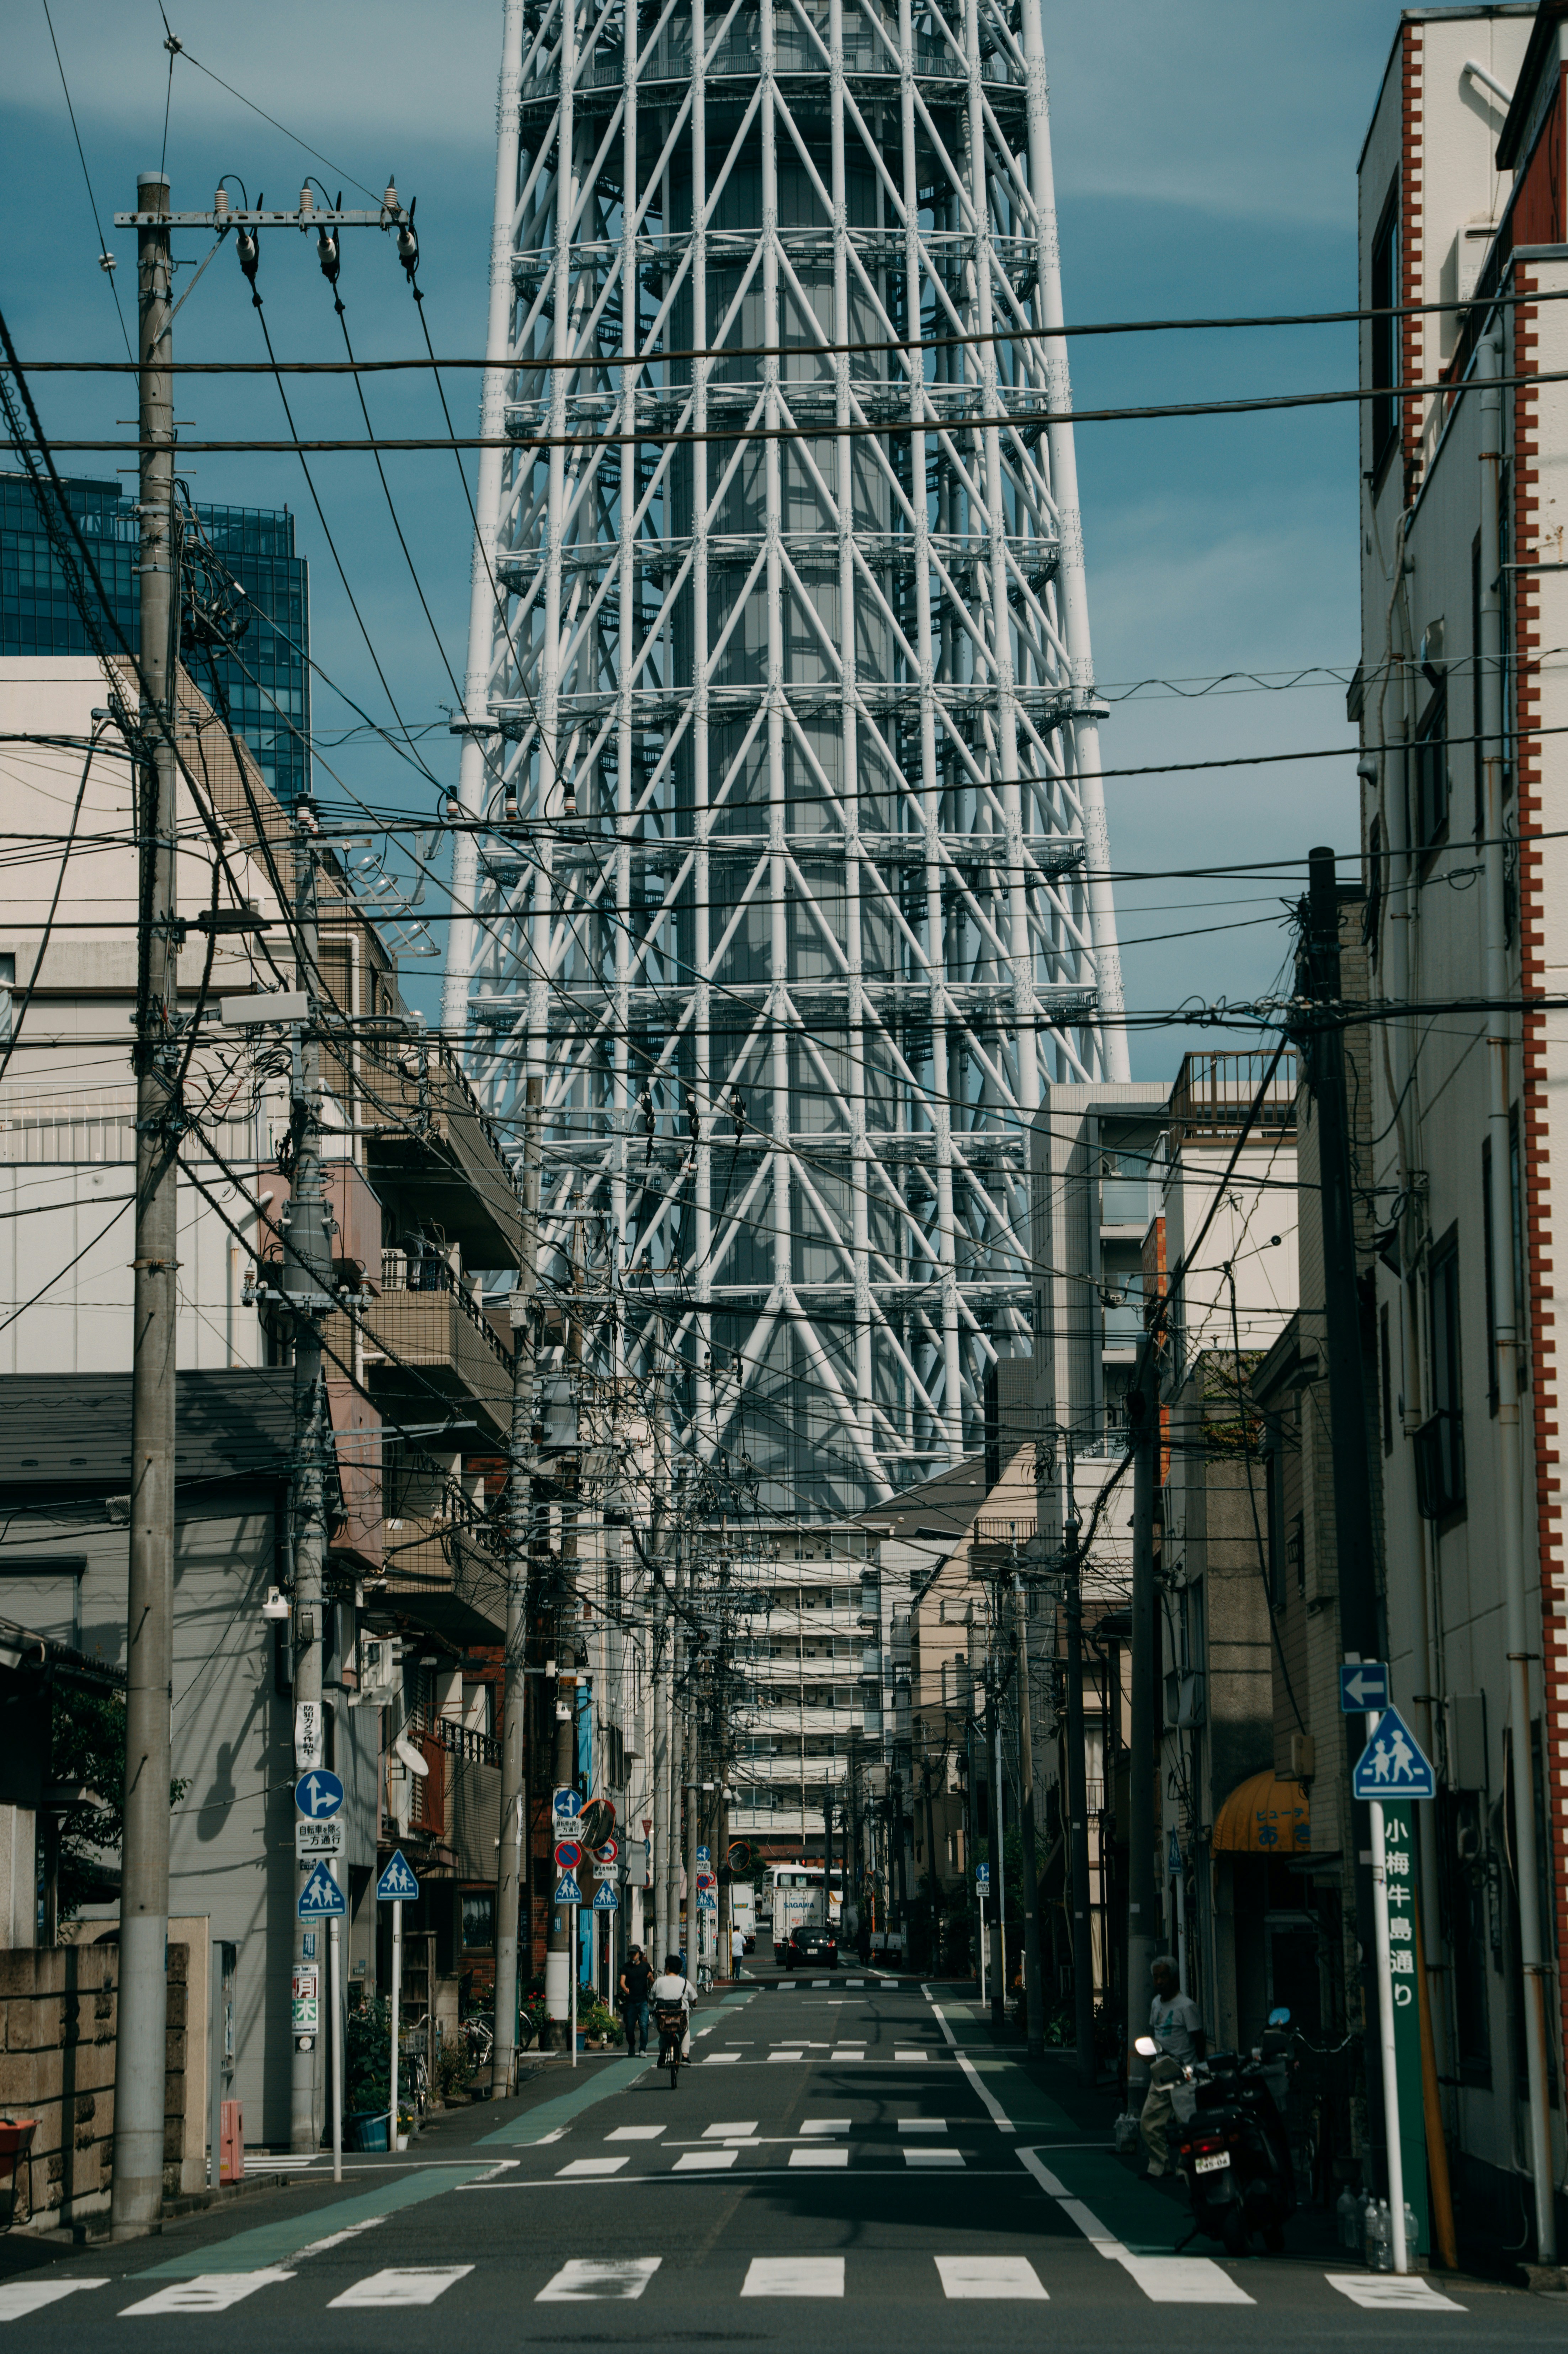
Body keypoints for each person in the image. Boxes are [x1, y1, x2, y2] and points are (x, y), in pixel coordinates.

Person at [1141, 1954, 1205, 2179]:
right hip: (1161, 2073)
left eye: (1164, 1976)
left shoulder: (1187, 2007)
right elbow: (1153, 2032)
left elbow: (1199, 2041)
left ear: (1174, 1977)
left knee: (1186, 2124)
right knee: (1148, 2122)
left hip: (1184, 2073)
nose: (1159, 1982)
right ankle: (1160, 2165)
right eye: (1156, 1977)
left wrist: (1197, 2071)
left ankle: (1185, 2169)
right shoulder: (1156, 2003)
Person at [648, 1952, 700, 2060]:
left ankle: (663, 2054)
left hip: (663, 2020)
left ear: (667, 1968)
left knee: (663, 2034)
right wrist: (694, 2004)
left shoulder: (659, 1982)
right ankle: (685, 2057)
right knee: (685, 2032)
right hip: (680, 2019)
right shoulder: (685, 1983)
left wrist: (651, 2008)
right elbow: (693, 2000)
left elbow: (652, 2000)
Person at [619, 1944, 653, 2055]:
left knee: (644, 2026)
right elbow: (622, 1981)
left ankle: (643, 2048)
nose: (633, 1956)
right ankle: (632, 2045)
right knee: (629, 2028)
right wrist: (625, 1988)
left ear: (639, 1954)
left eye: (634, 1953)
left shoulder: (646, 1966)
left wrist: (651, 1978)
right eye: (631, 1954)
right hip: (631, 2002)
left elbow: (653, 1982)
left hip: (643, 2001)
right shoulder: (626, 1967)